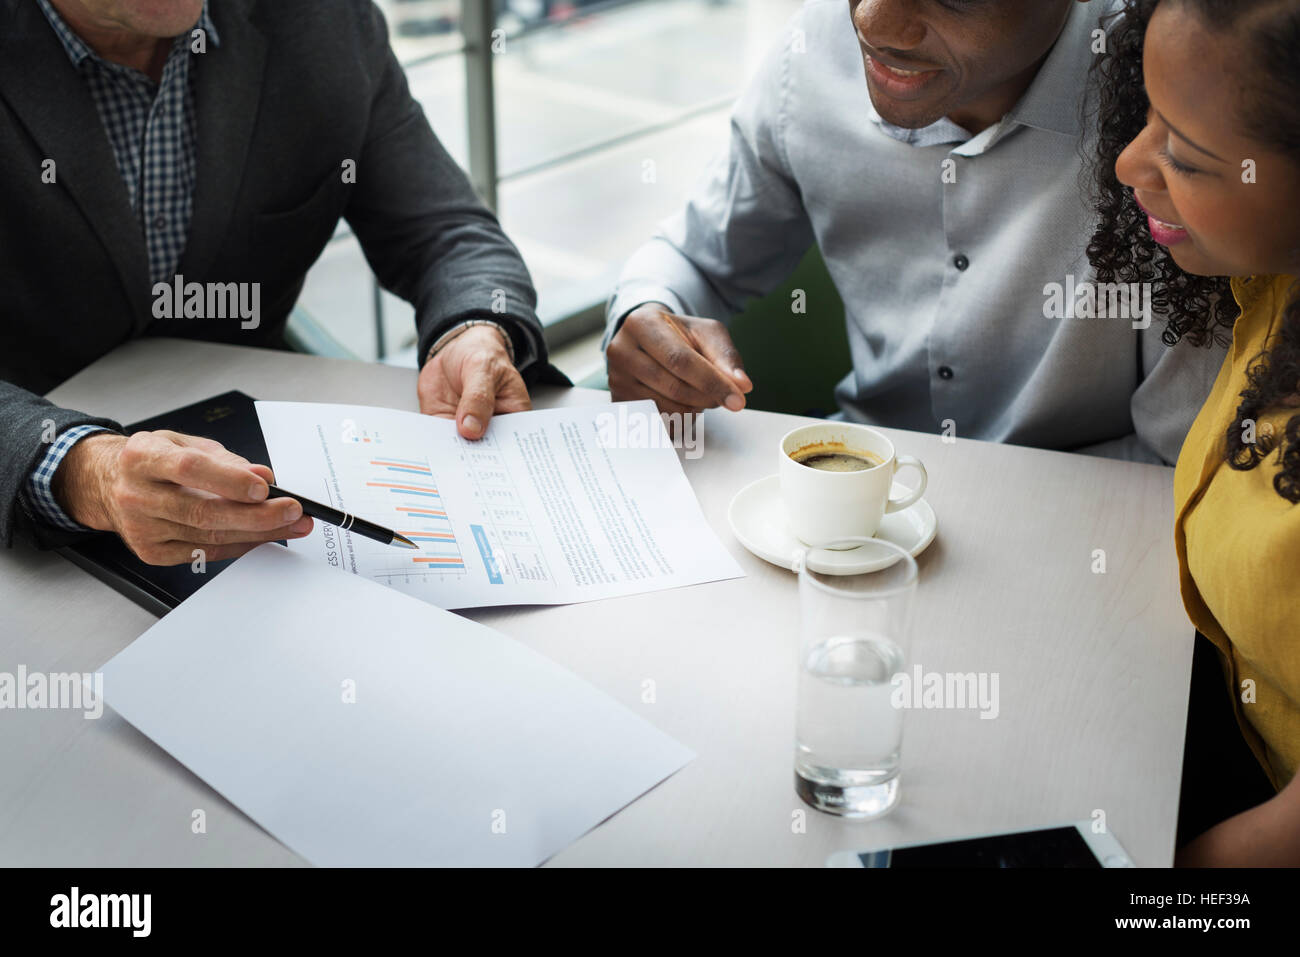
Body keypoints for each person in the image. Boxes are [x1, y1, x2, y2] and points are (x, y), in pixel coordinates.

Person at [0, 0, 564, 567]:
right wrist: (79, 471)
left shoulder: (322, 20)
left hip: (268, 482)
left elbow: (442, 225)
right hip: (28, 514)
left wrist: (473, 327)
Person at [605, 0, 1223, 463]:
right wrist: (650, 313)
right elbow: (697, 258)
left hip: (1089, 528)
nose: (875, 24)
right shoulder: (813, 50)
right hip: (858, 480)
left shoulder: (1172, 105)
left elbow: (1181, 455)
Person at [1091, 0, 1300, 865]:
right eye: (1147, 118)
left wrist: (1176, 896)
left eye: (1185, 155)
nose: (1129, 161)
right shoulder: (1275, 287)